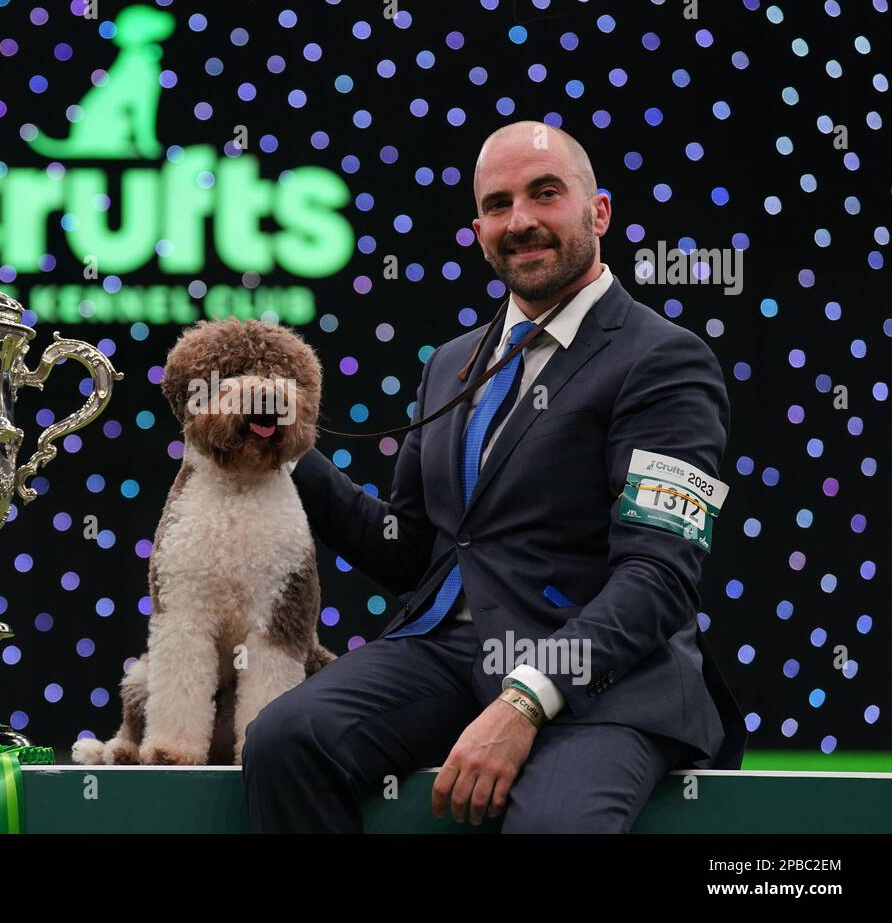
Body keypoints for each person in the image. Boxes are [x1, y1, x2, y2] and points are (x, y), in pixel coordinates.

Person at [241, 120, 745, 833]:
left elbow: (658, 575)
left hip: (605, 680)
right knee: (284, 739)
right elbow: (410, 550)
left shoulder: (666, 360)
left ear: (598, 212)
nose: (521, 221)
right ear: (479, 231)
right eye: (498, 205)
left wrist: (525, 700)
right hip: (445, 655)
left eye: (546, 194)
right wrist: (285, 448)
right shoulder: (452, 362)